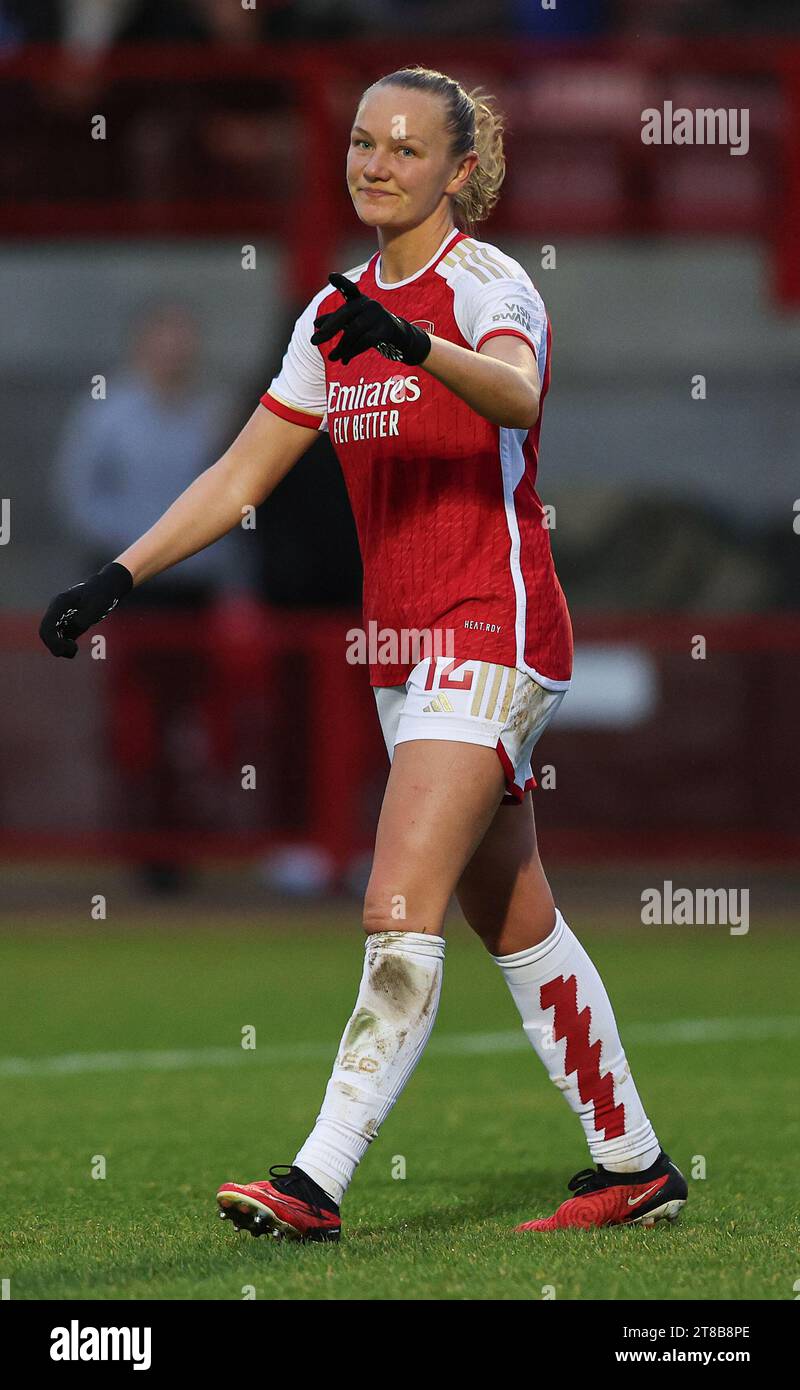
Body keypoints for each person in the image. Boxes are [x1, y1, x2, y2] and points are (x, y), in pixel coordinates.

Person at [40, 64, 688, 1239]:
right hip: (403, 651)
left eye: (404, 148)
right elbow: (242, 473)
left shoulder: (491, 286)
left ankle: (315, 1179)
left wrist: (416, 343)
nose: (376, 164)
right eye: (361, 143)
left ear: (459, 170)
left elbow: (517, 393)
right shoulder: (330, 310)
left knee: (397, 902)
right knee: (514, 916)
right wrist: (119, 576)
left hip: (492, 629)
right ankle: (633, 1163)